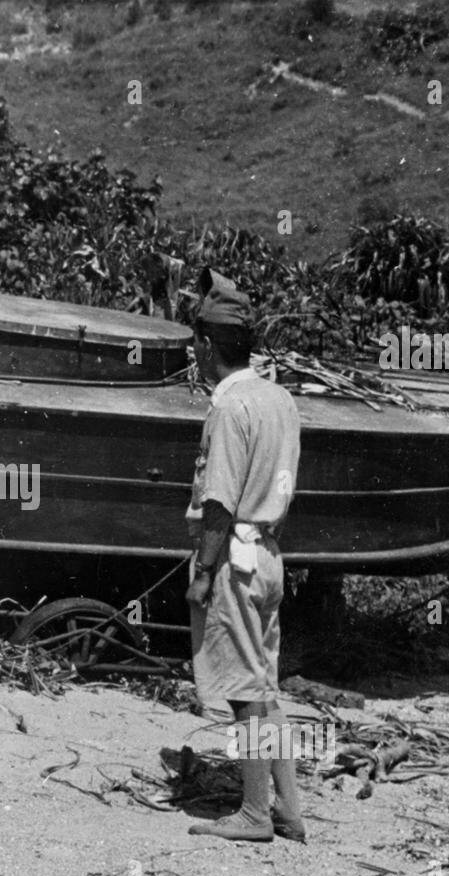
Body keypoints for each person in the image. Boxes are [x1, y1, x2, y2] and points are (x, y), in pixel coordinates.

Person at [184, 269, 305, 843]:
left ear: (208, 346)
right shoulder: (279, 398)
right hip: (270, 557)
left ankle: (255, 813)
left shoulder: (229, 408)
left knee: (242, 690)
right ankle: (288, 807)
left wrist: (203, 573)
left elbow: (219, 504)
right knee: (265, 685)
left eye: (196, 345)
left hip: (234, 558)